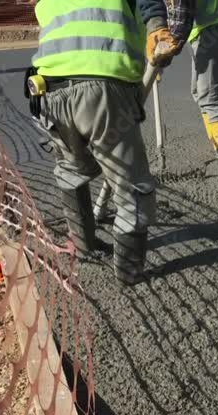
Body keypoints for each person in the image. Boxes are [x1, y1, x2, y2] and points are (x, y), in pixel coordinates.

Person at [30, 0, 181, 285]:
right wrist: (158, 29)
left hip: (49, 93)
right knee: (133, 190)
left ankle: (84, 246)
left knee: (71, 170)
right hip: (103, 91)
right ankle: (129, 273)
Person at [172, 0, 218, 157]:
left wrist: (168, 49)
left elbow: (182, 22)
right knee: (197, 90)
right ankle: (217, 133)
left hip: (209, 34)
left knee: (209, 94)